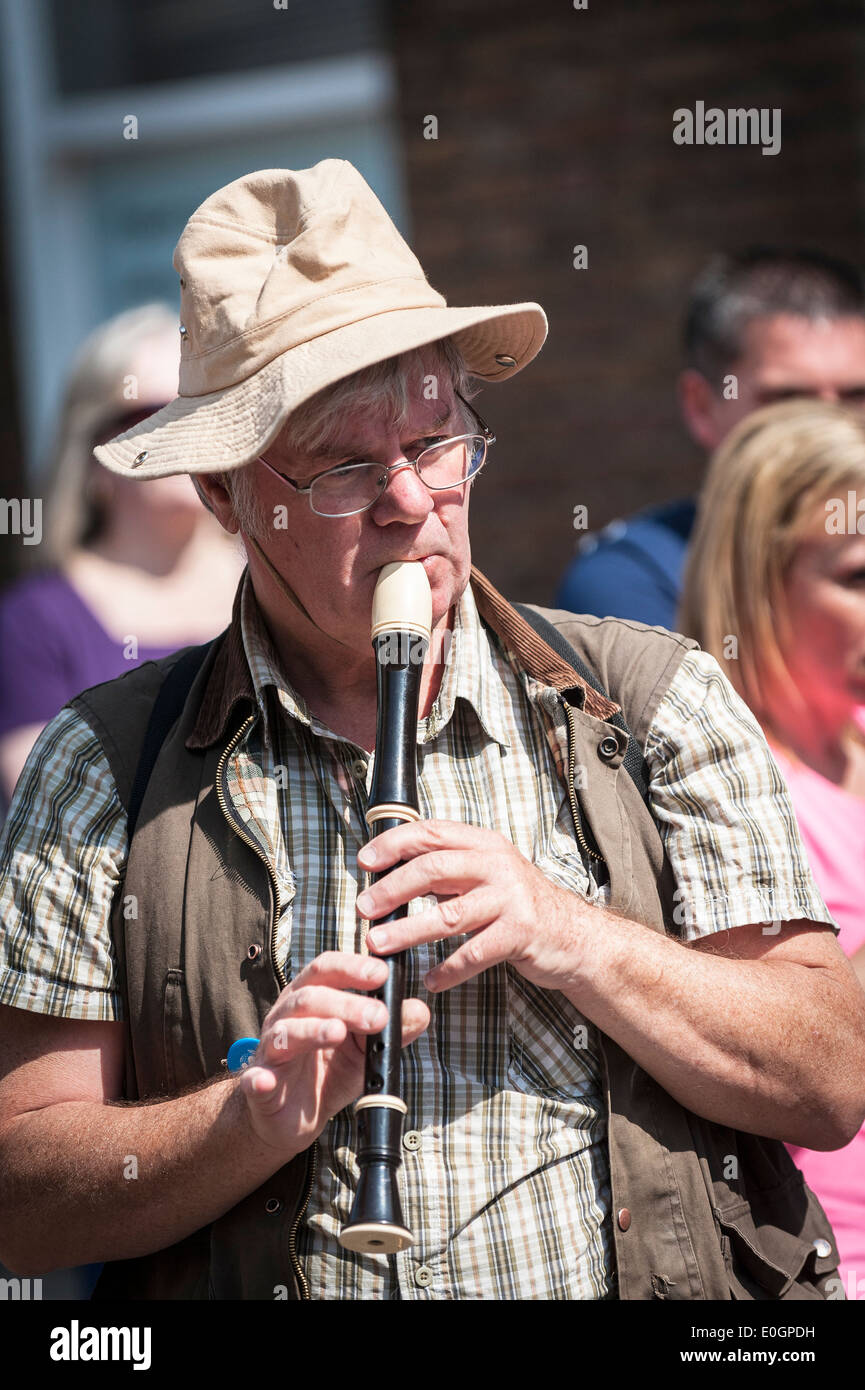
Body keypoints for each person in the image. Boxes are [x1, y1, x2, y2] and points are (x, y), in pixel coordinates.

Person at [0, 161, 862, 1302]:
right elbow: (20, 1201)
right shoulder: (101, 764)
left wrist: (574, 935)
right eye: (347, 468)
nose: (412, 502)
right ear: (225, 494)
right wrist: (246, 1118)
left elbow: (828, 1075)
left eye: (435, 439)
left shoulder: (658, 698)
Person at [677, 397, 865, 1298]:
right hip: (823, 1258)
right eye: (857, 576)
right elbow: (787, 1052)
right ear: (758, 579)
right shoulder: (731, 795)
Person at [0, 304, 244, 811]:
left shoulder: (274, 579)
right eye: (156, 414)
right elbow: (54, 808)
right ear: (93, 449)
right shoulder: (34, 623)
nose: (185, 431)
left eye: (200, 405)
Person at [556, 247, 865, 627]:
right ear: (701, 406)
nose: (828, 427)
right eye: (789, 401)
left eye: (856, 397)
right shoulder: (634, 581)